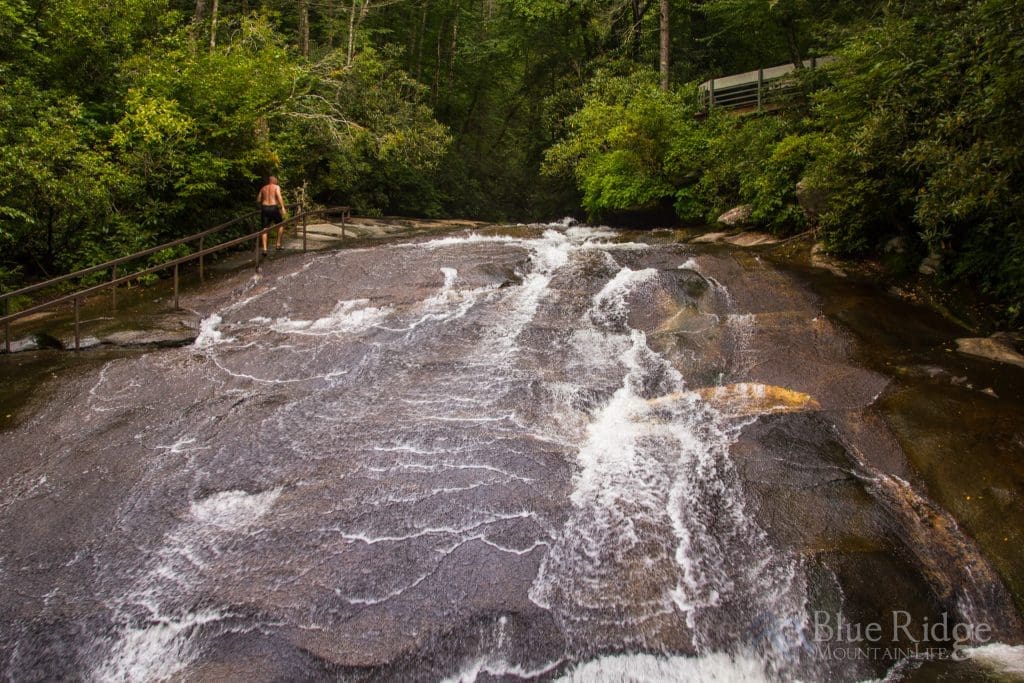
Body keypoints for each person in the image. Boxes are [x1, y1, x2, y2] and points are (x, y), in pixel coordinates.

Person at [258, 176, 288, 254]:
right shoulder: (276, 187)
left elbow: (258, 200)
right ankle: (278, 244)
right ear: (274, 181)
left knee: (264, 228)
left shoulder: (263, 188)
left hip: (264, 208)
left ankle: (265, 249)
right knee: (281, 225)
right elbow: (279, 196)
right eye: (276, 181)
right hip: (273, 208)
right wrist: (283, 207)